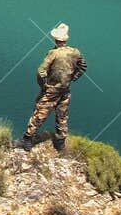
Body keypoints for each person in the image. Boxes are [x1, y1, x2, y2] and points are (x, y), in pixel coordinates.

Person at [21, 22, 86, 152]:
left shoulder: (53, 53)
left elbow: (41, 71)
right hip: (65, 90)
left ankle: (27, 141)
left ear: (55, 39)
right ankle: (60, 144)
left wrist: (44, 85)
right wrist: (72, 78)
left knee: (39, 113)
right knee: (62, 116)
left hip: (51, 91)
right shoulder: (75, 52)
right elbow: (83, 67)